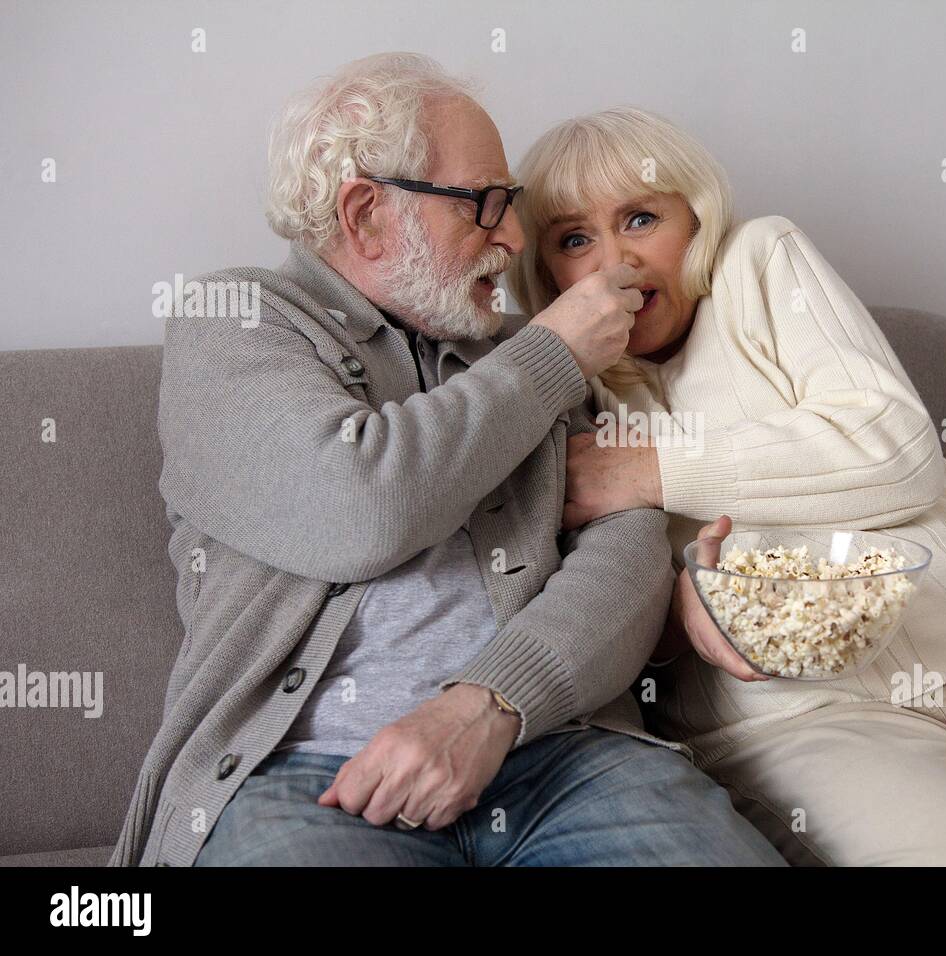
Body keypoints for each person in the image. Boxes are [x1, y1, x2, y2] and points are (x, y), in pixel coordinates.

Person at [109, 54, 787, 868]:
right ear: (365, 213)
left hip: (560, 755)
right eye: (486, 205)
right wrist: (552, 354)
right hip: (303, 777)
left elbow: (629, 554)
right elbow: (357, 508)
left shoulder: (515, 350)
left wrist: (491, 705)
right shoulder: (235, 325)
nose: (511, 239)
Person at [506, 105, 946, 866]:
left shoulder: (761, 262)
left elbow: (895, 448)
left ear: (696, 217)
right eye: (576, 240)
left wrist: (651, 469)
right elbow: (585, 596)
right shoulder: (553, 384)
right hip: (796, 714)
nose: (617, 260)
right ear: (547, 270)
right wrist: (674, 612)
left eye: (642, 217)